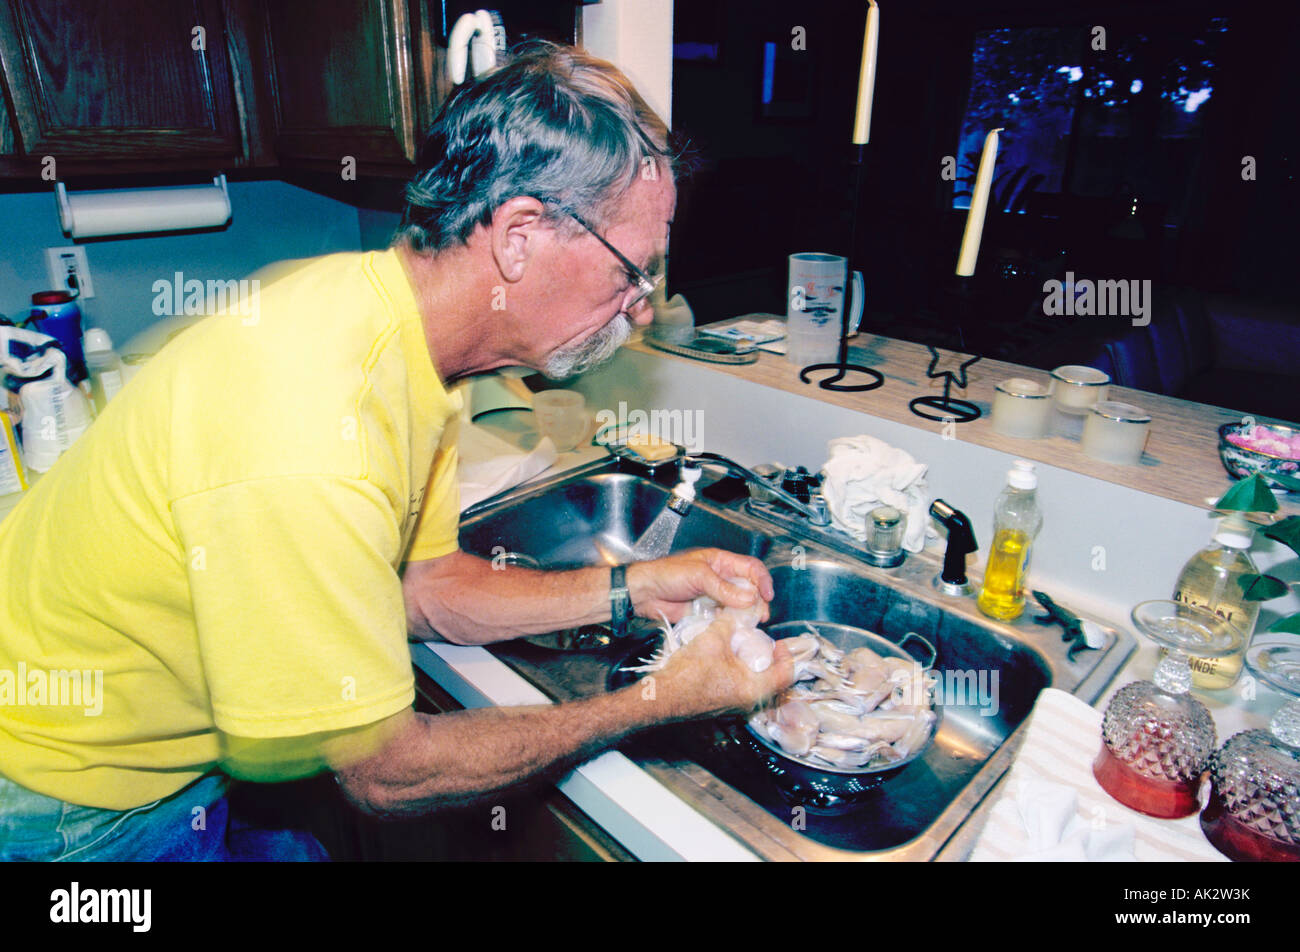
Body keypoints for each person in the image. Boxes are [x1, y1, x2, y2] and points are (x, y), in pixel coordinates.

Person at [0, 43, 794, 861]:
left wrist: (635, 586)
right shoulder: (310, 425)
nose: (638, 312)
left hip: (185, 754)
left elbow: (430, 589)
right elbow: (388, 774)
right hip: (77, 797)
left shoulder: (396, 331)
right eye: (635, 272)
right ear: (520, 236)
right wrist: (661, 700)